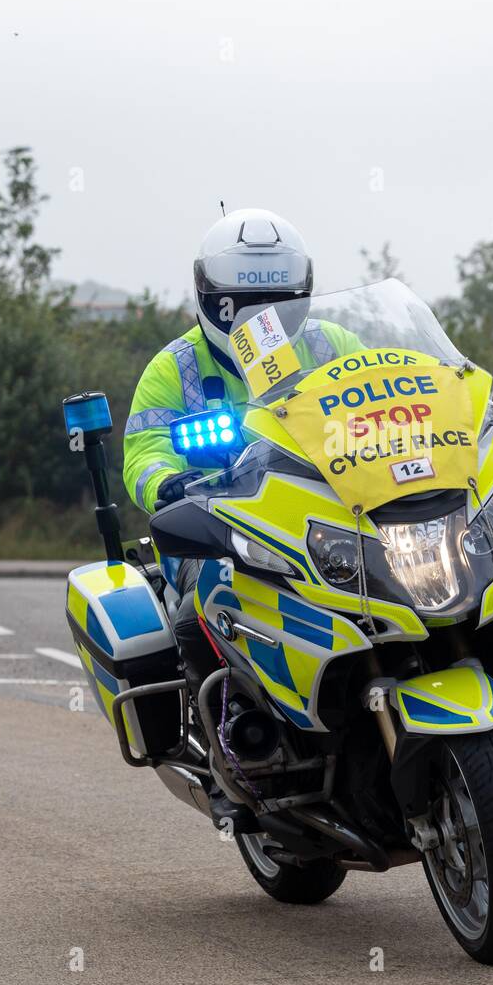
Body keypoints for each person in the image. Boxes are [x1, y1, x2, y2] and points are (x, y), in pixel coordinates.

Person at [122, 209, 363, 827]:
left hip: (323, 523)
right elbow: (142, 454)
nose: (263, 320)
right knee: (194, 613)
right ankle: (232, 753)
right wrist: (168, 482)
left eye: (280, 303)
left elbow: (395, 399)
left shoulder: (333, 346)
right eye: (245, 305)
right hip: (212, 531)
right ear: (212, 298)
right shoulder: (172, 369)